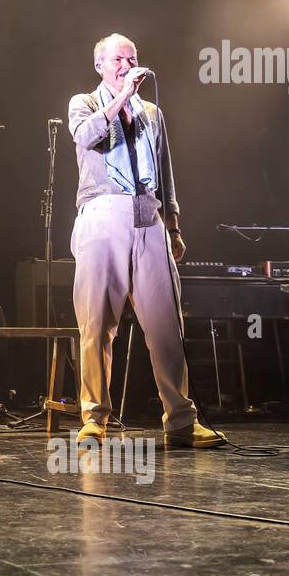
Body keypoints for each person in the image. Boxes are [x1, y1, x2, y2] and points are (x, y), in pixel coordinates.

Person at [67, 33, 226, 449]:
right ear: (100, 65)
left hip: (147, 215)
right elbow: (87, 137)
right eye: (118, 59)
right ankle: (94, 419)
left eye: (132, 57)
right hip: (103, 215)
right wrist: (120, 98)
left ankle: (180, 420)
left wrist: (172, 226)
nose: (127, 64)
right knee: (97, 326)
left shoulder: (152, 112)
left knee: (166, 325)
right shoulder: (83, 103)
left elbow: (166, 172)